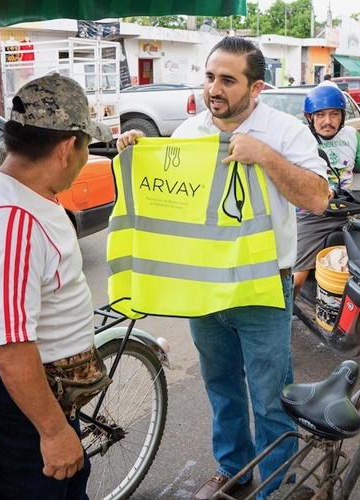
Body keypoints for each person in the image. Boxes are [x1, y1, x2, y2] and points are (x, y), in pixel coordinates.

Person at [117, 36, 329, 500]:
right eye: (210, 76)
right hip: (202, 284)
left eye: (228, 80)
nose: (215, 88)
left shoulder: (284, 131)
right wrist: (139, 153)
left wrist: (265, 156)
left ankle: (276, 484)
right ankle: (234, 469)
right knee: (220, 384)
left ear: (256, 88)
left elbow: (318, 196)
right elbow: (170, 202)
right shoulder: (189, 133)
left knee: (271, 394)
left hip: (261, 284)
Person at [0, 73, 112, 499]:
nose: (86, 158)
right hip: (25, 408)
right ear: (67, 147)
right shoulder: (13, 221)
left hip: (43, 399)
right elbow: (10, 345)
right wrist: (52, 432)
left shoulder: (27, 195)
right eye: (87, 147)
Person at [293, 85, 360, 298]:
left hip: (349, 211)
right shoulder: (301, 140)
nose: (327, 121)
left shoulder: (352, 136)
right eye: (320, 115)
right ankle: (281, 321)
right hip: (312, 215)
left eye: (334, 114)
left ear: (342, 116)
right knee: (295, 280)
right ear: (310, 118)